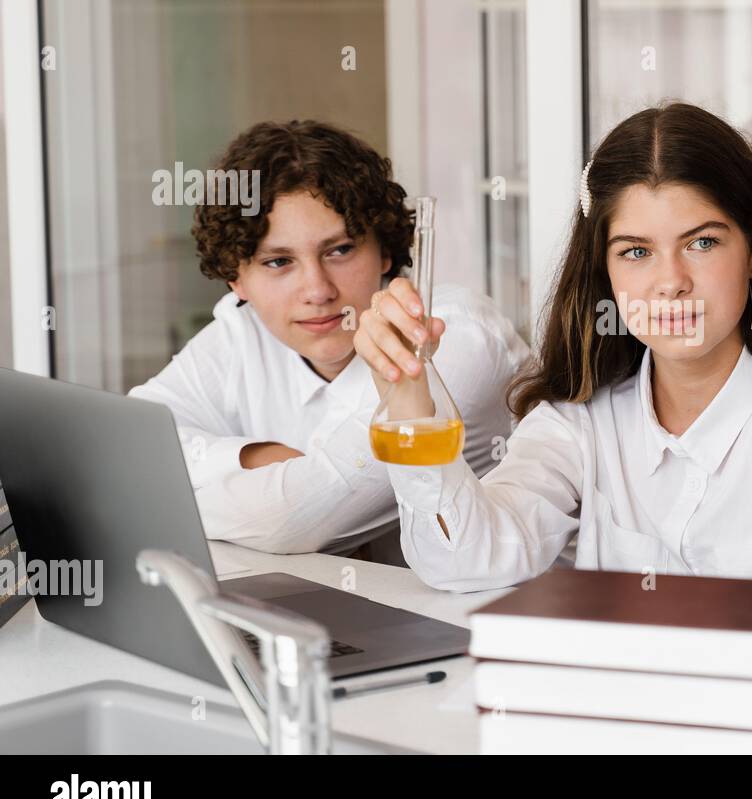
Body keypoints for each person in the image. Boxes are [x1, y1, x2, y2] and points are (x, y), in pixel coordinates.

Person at [355, 102, 752, 592]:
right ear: (603, 265)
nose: (670, 282)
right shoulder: (576, 424)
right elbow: (463, 560)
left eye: (702, 243)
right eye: (636, 252)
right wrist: (408, 398)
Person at [130, 120, 528, 555]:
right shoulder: (242, 334)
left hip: (500, 616)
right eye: (279, 262)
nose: (318, 291)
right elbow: (126, 449)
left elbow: (286, 521)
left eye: (340, 250)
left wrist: (167, 498)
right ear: (235, 280)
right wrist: (255, 457)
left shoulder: (449, 337)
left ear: (385, 251)